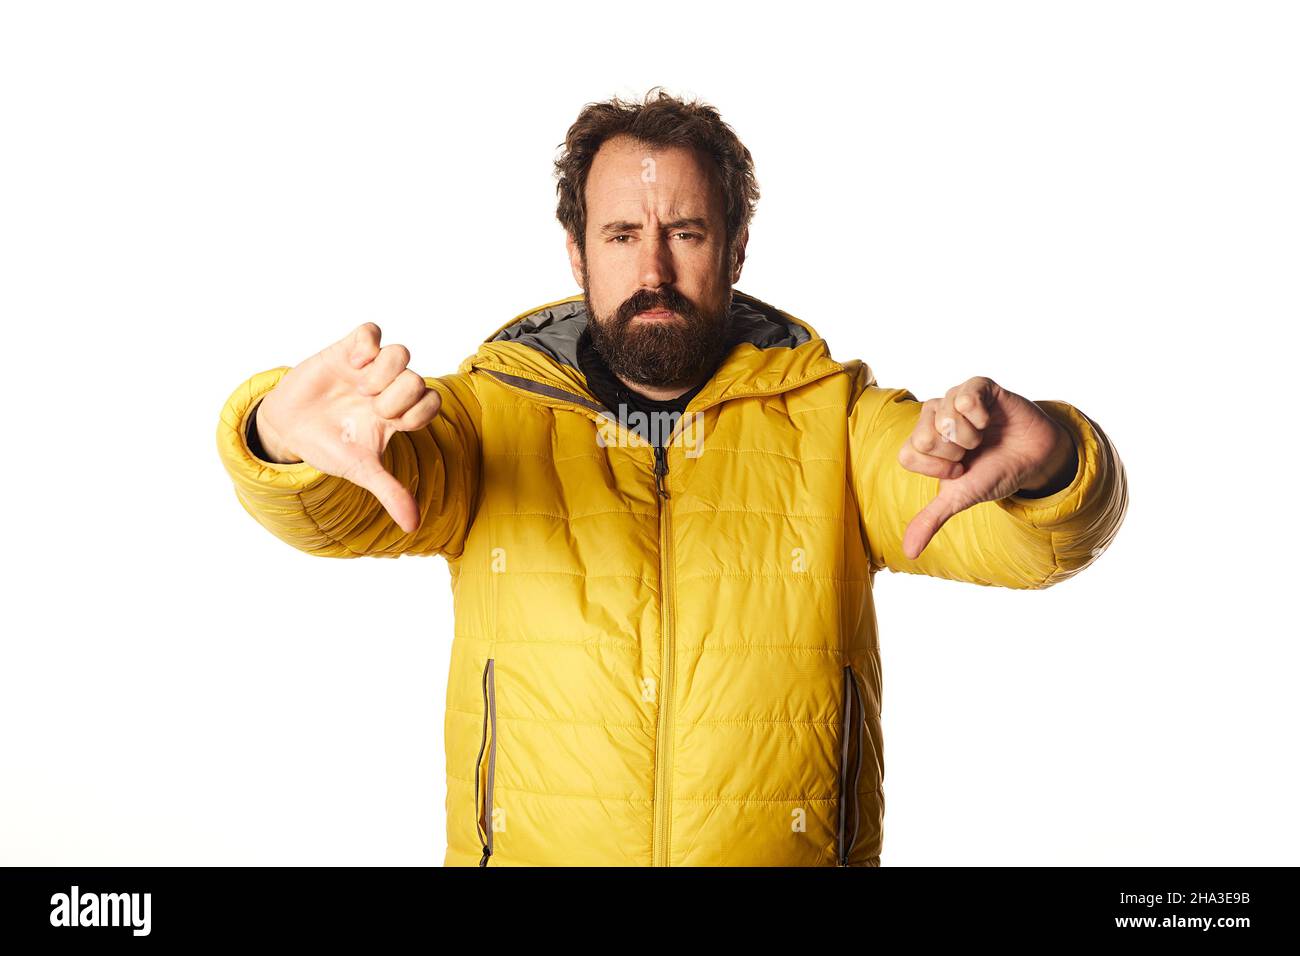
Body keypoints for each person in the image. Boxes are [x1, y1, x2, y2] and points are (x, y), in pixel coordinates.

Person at [214, 87, 1128, 867]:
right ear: (577, 254)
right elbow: (349, 498)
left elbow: (1010, 533)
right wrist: (277, 439)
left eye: (685, 231)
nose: (652, 269)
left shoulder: (837, 420)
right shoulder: (488, 418)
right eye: (620, 234)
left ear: (735, 249)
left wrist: (1050, 466)